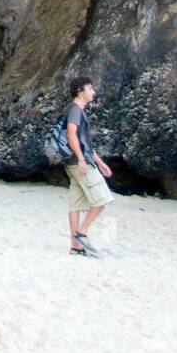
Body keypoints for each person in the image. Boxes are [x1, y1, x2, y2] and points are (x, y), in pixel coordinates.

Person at [64, 77, 113, 256]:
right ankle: (81, 234)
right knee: (102, 199)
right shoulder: (75, 110)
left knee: (75, 204)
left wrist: (100, 163)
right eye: (90, 88)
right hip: (79, 163)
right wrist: (82, 160)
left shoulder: (75, 110)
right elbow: (71, 135)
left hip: (74, 163)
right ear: (80, 91)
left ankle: (75, 247)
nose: (93, 92)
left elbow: (85, 143)